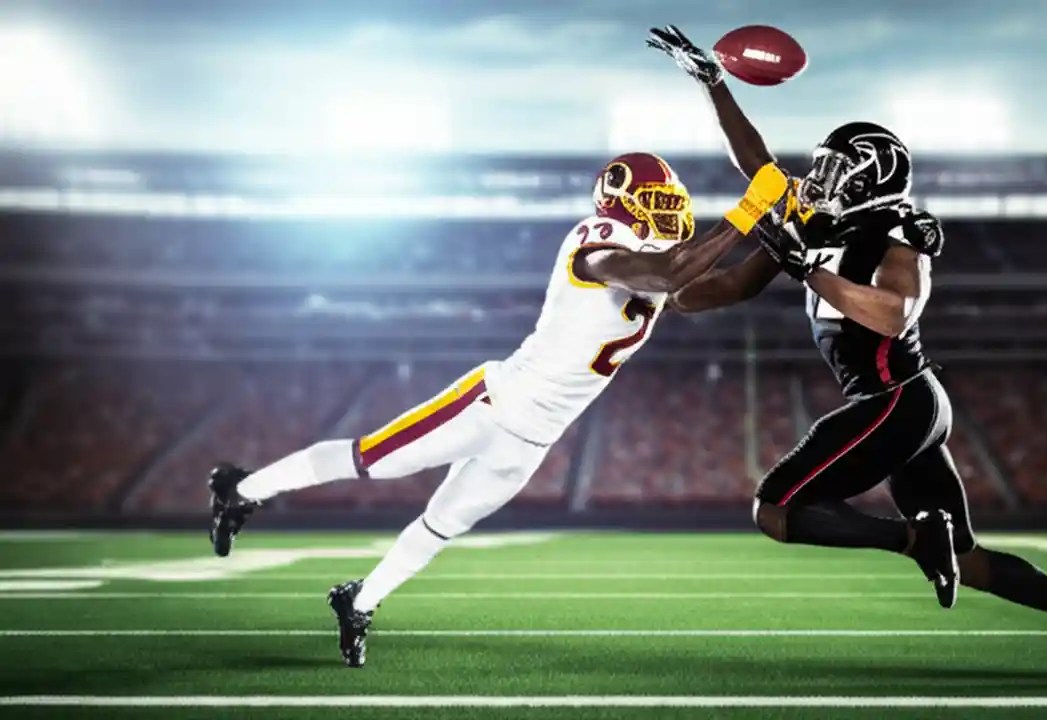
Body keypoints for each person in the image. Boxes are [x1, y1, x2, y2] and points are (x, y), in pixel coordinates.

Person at [648, 25, 1047, 680]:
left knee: (779, 509)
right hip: (898, 406)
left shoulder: (896, 225)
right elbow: (742, 238)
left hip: (898, 398)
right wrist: (714, 85)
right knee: (969, 554)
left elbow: (895, 309)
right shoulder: (814, 223)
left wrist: (809, 271)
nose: (819, 177)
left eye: (836, 168)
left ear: (874, 175)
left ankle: (913, 536)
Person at [207, 151, 794, 667]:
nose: (667, 212)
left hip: (535, 436)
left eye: (670, 202)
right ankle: (243, 489)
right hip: (491, 402)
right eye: (655, 201)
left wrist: (782, 237)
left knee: (446, 522)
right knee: (375, 460)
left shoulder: (657, 267)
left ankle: (358, 600)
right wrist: (746, 212)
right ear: (619, 200)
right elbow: (670, 270)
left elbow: (730, 287)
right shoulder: (597, 241)